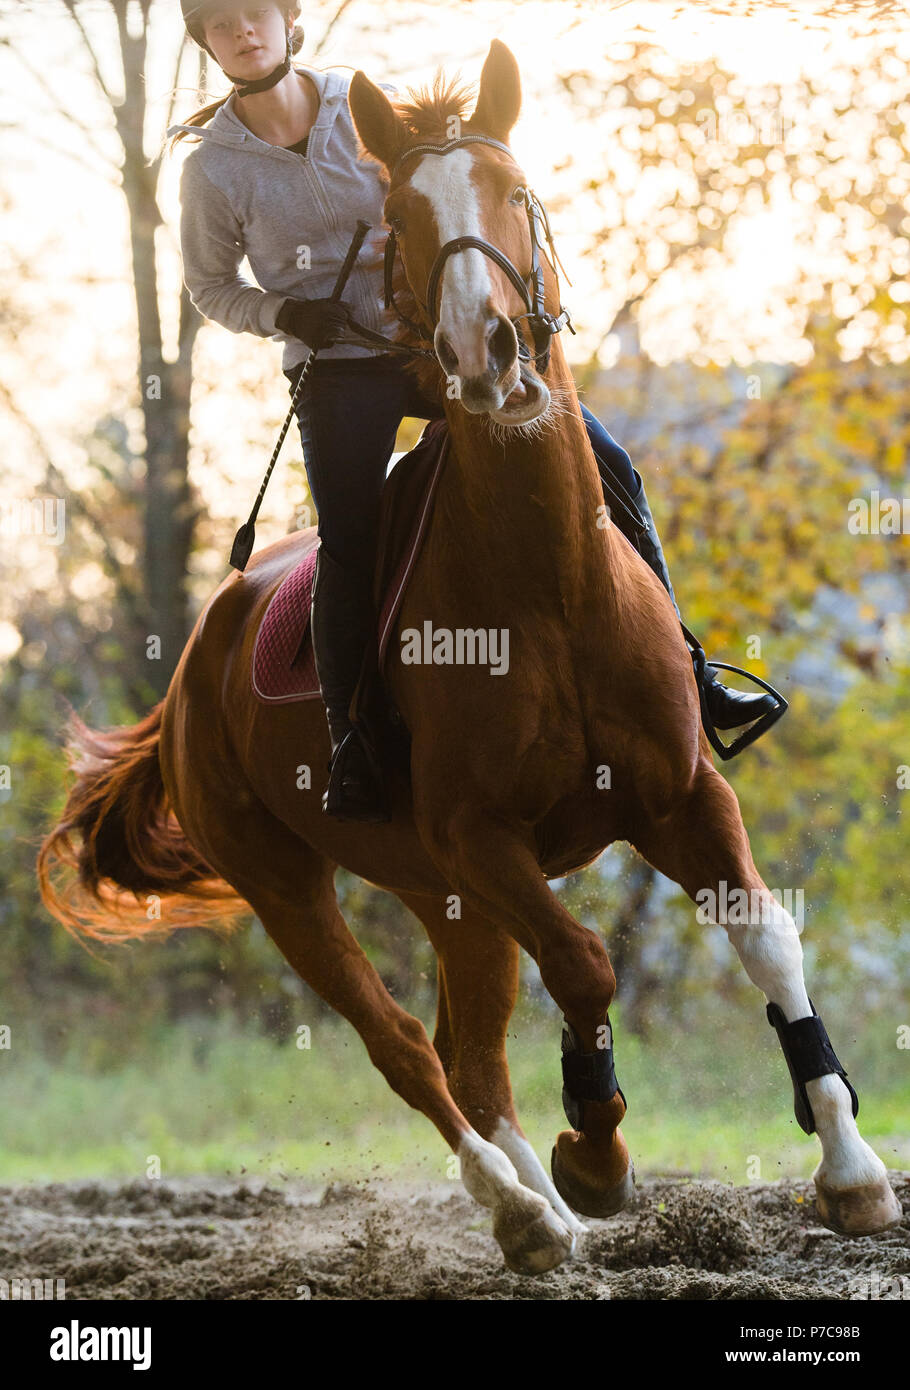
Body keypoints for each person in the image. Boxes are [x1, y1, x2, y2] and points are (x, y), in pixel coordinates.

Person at [170, 1, 779, 821]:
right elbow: (210, 288)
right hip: (340, 368)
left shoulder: (357, 99)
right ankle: (349, 736)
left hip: (433, 345)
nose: (243, 32)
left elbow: (449, 181)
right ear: (206, 42)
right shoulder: (212, 170)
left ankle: (692, 672)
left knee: (609, 462)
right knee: (349, 535)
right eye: (221, 24)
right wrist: (285, 315)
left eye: (256, 14)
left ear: (287, 21)